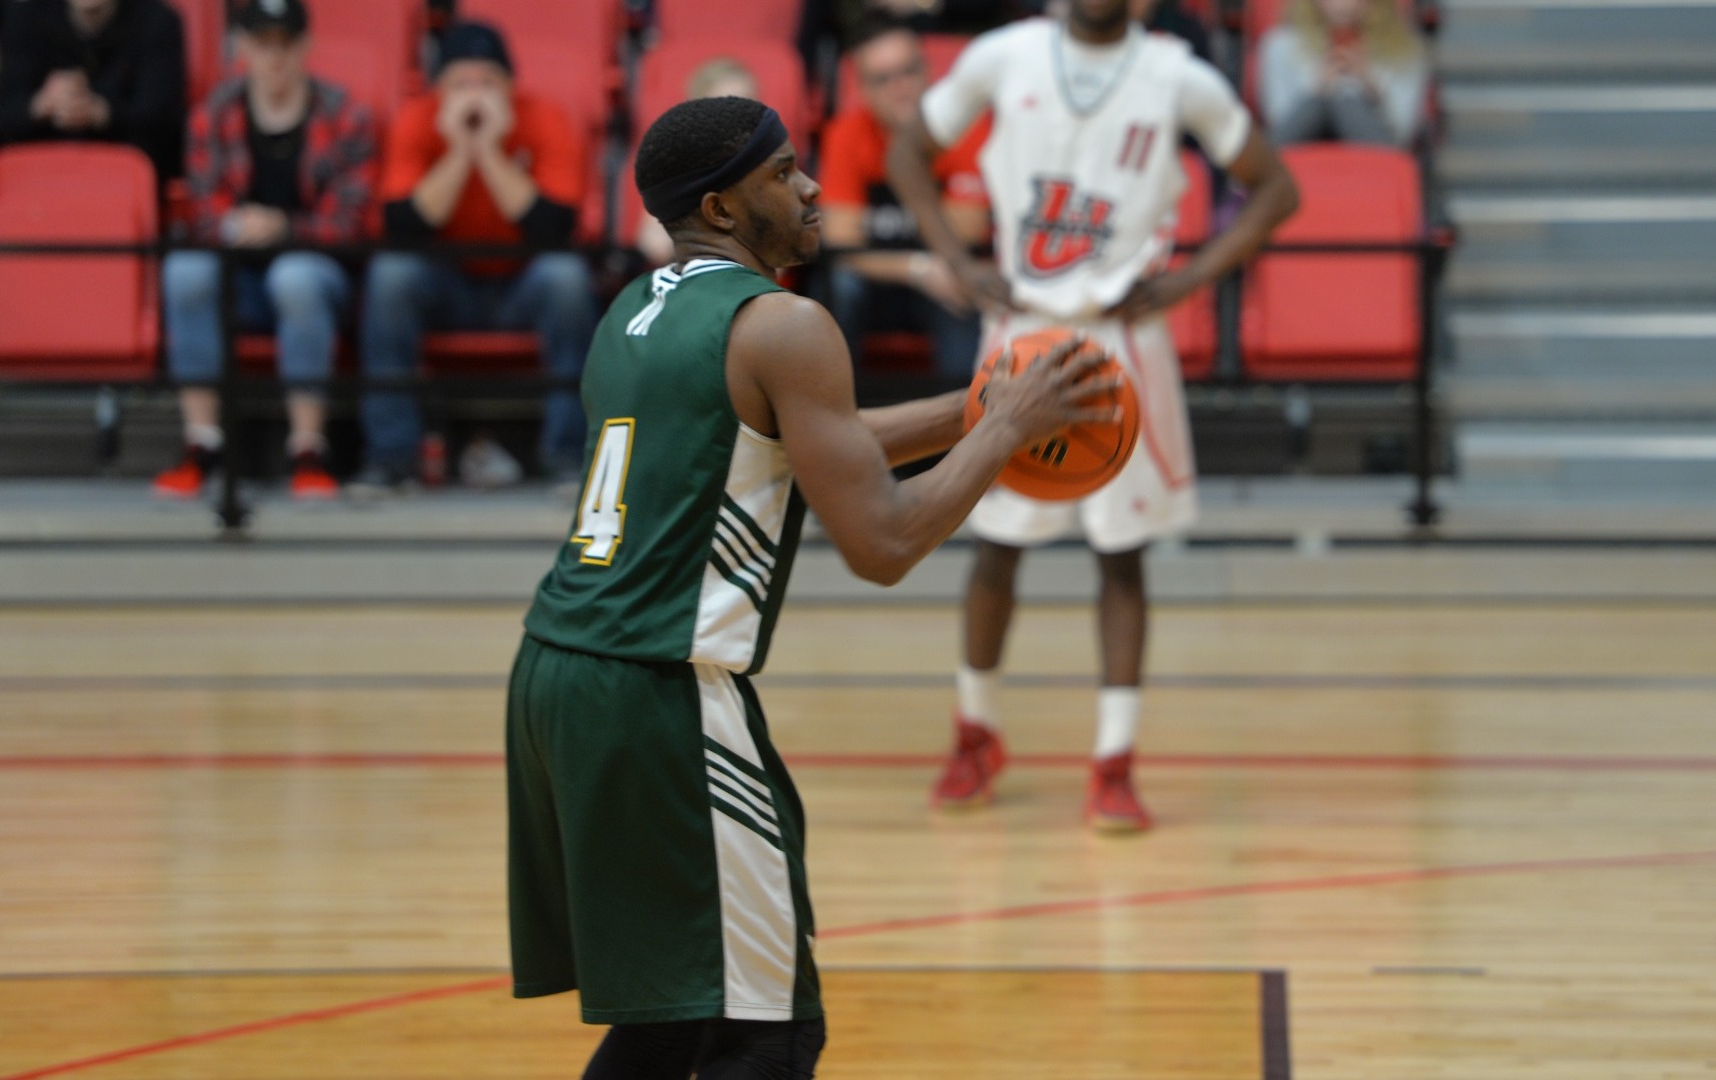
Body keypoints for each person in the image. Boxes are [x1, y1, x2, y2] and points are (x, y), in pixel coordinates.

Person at [506, 95, 1110, 1078]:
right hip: (662, 691)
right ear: (726, 206)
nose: (813, 185)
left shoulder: (637, 308)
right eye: (784, 171)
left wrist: (981, 408)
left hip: (560, 675)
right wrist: (1006, 434)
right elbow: (882, 541)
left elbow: (806, 443)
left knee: (677, 1011)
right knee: (769, 1027)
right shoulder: (785, 324)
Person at [889, 0, 1300, 831]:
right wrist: (954, 255)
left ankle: (1115, 761)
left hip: (1123, 341)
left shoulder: (1178, 77)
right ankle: (976, 733)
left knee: (1123, 558)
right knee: (996, 547)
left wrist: (1190, 279)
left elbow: (1276, 189)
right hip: (1021, 335)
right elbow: (908, 149)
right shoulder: (1004, 56)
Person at [353, 21, 595, 494]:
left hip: (524, 282)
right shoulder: (417, 118)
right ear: (439, 88)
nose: (475, 96)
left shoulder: (546, 117)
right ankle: (391, 456)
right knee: (390, 275)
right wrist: (461, 151)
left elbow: (554, 229)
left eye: (487, 82)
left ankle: (566, 456)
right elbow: (402, 226)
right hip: (446, 284)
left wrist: (488, 150)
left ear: (509, 85)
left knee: (567, 277)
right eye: (461, 83)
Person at [151, 0, 377, 501]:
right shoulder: (213, 113)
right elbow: (205, 215)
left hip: (319, 281)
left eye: (286, 44)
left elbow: (350, 224)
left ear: (306, 48)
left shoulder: (347, 114)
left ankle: (308, 449)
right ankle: (201, 443)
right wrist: (239, 227)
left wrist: (283, 228)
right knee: (185, 271)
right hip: (236, 273)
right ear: (242, 49)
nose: (274, 58)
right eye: (262, 44)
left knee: (294, 276)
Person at [818, 22, 988, 380]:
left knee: (965, 284)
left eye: (908, 71)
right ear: (862, 88)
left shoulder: (967, 128)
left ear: (928, 71)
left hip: (948, 278)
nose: (900, 89)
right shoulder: (846, 135)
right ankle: (832, 415)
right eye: (882, 79)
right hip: (883, 285)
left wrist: (934, 266)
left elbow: (967, 231)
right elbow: (841, 244)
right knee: (839, 285)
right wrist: (918, 268)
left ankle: (964, 417)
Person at [0, 0, 187, 178]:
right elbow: (6, 115)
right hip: (36, 181)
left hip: (123, 182)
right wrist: (43, 104)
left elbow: (163, 123)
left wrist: (101, 112)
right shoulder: (24, 17)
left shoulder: (158, 21)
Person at [634, 57, 765, 269]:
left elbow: (780, 257)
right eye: (721, 107)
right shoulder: (674, 165)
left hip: (750, 284)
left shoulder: (768, 164)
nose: (734, 118)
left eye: (746, 105)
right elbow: (652, 242)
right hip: (689, 279)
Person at [1256, 0, 1430, 148]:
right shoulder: (1279, 45)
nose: (1343, 4)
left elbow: (1402, 134)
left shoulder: (1406, 49)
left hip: (1378, 158)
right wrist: (1317, 89)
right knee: (1326, 103)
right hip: (1296, 150)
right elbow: (1278, 125)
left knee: (1345, 104)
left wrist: (1369, 86)